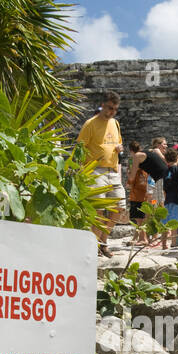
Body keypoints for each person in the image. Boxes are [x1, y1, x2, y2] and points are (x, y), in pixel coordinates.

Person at [77, 91, 123, 256]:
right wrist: (82, 173)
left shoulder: (115, 123)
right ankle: (94, 246)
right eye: (110, 108)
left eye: (115, 109)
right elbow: (79, 149)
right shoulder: (90, 124)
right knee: (98, 210)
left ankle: (102, 241)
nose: (112, 112)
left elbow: (118, 143)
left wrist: (120, 148)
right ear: (102, 105)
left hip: (113, 170)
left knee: (119, 207)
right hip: (95, 170)